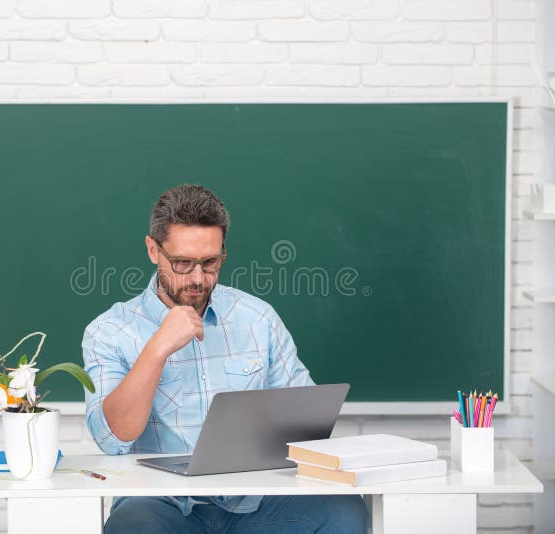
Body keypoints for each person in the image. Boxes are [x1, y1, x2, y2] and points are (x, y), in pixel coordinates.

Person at [82, 184, 367, 533]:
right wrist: (157, 348)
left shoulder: (257, 318)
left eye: (210, 262)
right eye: (183, 263)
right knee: (131, 527)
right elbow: (112, 439)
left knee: (343, 511)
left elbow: (308, 426)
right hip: (161, 504)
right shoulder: (110, 330)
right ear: (153, 250)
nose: (198, 279)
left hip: (255, 501)